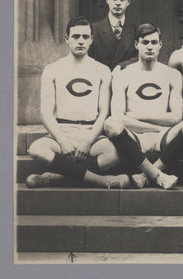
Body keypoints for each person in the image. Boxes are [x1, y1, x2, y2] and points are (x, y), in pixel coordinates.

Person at [26, 16, 128, 189]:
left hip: (91, 133)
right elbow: (45, 113)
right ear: (67, 39)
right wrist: (62, 140)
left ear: (91, 40)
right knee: (36, 149)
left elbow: (104, 112)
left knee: (119, 153)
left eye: (85, 37)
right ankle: (101, 180)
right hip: (62, 131)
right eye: (75, 36)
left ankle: (55, 178)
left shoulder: (102, 70)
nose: (80, 41)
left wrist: (88, 141)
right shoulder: (52, 69)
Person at [103, 23, 183, 189]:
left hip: (163, 135)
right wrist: (153, 126)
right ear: (137, 45)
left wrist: (136, 116)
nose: (149, 47)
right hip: (134, 135)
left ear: (160, 45)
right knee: (110, 124)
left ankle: (145, 174)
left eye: (154, 42)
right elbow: (118, 117)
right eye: (145, 42)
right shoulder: (123, 75)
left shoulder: (172, 75)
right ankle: (158, 176)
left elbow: (176, 117)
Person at [89, 0, 139, 70]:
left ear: (128, 1)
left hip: (127, 79)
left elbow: (141, 57)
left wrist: (122, 66)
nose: (118, 3)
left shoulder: (136, 29)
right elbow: (88, 58)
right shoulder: (94, 29)